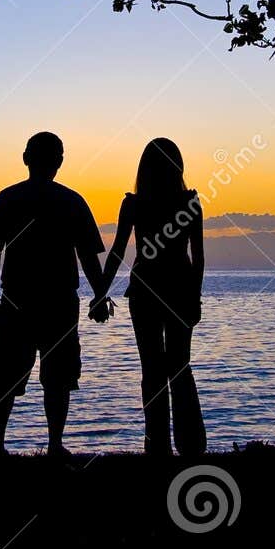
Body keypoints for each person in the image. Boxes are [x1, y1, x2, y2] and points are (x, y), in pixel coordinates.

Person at [0, 131, 109, 458]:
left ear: (26, 158)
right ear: (59, 162)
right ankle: (53, 444)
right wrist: (99, 295)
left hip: (18, 300)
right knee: (58, 377)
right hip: (57, 302)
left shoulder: (8, 198)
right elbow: (89, 257)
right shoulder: (72, 200)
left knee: (6, 374)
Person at [100, 137, 206, 456]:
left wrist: (100, 292)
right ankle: (190, 445)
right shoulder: (190, 202)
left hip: (145, 290)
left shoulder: (133, 203)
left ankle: (156, 445)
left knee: (153, 370)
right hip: (178, 291)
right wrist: (195, 298)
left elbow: (118, 251)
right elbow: (197, 257)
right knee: (180, 367)